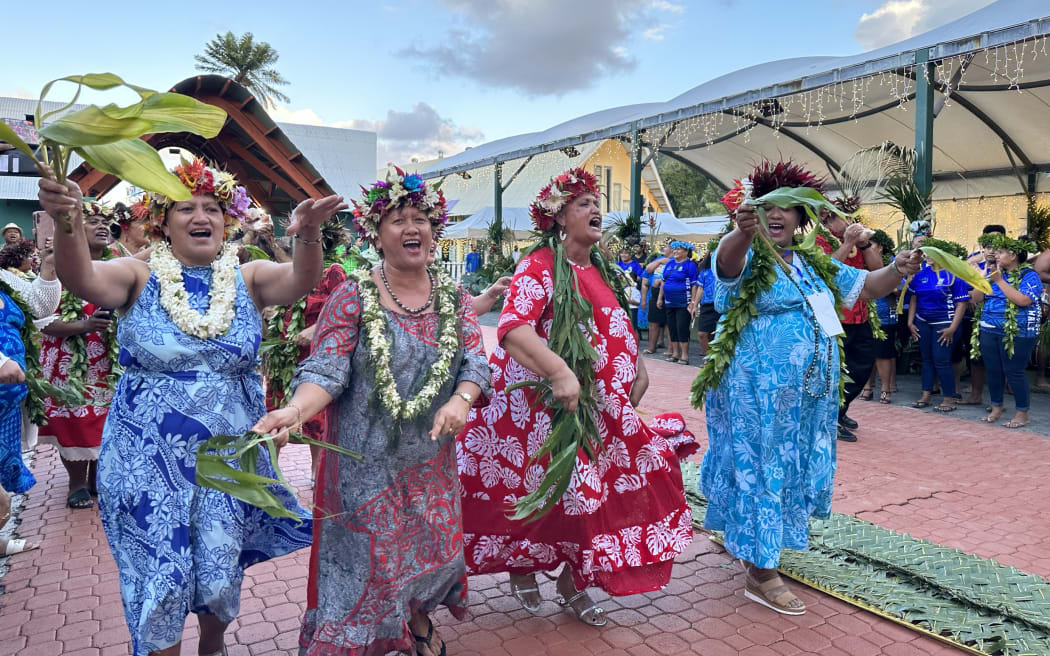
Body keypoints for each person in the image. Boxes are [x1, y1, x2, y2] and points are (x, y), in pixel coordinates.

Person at [38, 157, 343, 656]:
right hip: (145, 457)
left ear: (227, 221)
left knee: (218, 569)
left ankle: (213, 645)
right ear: (163, 222)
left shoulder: (248, 278)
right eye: (186, 208)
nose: (201, 217)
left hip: (227, 458)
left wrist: (308, 234)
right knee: (161, 575)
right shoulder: (137, 275)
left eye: (212, 208)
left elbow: (300, 279)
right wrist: (67, 220)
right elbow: (83, 278)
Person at [252, 166, 490, 656]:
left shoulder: (455, 299)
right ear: (376, 235)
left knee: (428, 550)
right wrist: (293, 411)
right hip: (363, 468)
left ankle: (417, 618)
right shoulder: (352, 296)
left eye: (421, 219)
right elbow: (327, 369)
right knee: (369, 560)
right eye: (398, 220)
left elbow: (475, 363)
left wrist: (460, 399)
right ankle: (359, 640)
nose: (412, 228)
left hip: (429, 465)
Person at [458, 168, 696, 627]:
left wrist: (638, 365)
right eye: (583, 203)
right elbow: (513, 329)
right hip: (540, 413)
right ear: (558, 217)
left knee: (605, 493)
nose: (595, 210)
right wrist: (560, 372)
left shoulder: (600, 267)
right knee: (540, 496)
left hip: (601, 413)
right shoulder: (539, 265)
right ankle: (523, 565)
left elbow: (615, 323)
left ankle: (573, 581)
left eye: (596, 203)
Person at [700, 161, 922, 615]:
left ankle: (755, 543)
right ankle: (761, 572)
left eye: (788, 207)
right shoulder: (746, 255)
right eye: (768, 206)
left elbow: (868, 287)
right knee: (761, 465)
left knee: (787, 466)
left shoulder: (811, 264)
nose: (776, 214)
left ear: (801, 218)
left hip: (803, 400)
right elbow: (726, 260)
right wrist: (742, 231)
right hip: (757, 395)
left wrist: (897, 268)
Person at [37, 201, 119, 510]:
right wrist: (85, 325)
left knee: (106, 421)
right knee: (73, 421)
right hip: (68, 362)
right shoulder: (57, 266)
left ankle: (97, 478)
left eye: (105, 222)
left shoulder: (119, 267)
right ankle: (77, 483)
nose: (102, 226)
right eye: (93, 221)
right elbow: (42, 321)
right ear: (73, 229)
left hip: (110, 362)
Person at [263, 217, 348, 475]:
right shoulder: (292, 269)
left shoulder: (333, 271)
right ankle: (271, 473)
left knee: (315, 418)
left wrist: (317, 329)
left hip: (314, 355)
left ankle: (316, 474)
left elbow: (344, 311)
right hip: (284, 352)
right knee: (275, 409)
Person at [816, 201, 883, 441]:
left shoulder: (859, 242)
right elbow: (827, 271)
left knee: (862, 365)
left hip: (860, 314)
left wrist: (863, 244)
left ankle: (839, 410)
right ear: (828, 219)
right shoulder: (819, 240)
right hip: (834, 317)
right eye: (843, 217)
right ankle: (829, 418)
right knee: (833, 370)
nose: (849, 222)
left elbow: (877, 269)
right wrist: (847, 242)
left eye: (851, 217)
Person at [973, 235, 1042, 428]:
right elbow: (977, 298)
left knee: (1014, 372)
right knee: (993, 370)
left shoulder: (1029, 275)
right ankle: (996, 408)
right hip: (989, 329)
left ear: (1013, 255)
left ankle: (1022, 413)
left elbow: (1023, 300)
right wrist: (981, 279)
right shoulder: (994, 272)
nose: (996, 255)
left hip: (1018, 332)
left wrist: (999, 281)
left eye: (1001, 252)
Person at [906, 240, 972, 412]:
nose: (927, 256)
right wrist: (910, 322)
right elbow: (913, 298)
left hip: (944, 324)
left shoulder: (953, 275)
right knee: (927, 359)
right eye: (926, 253)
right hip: (922, 322)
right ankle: (926, 395)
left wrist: (953, 328)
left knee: (941, 360)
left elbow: (962, 303)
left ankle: (949, 398)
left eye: (932, 253)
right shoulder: (920, 274)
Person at [657, 241, 699, 364]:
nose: (675, 251)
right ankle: (675, 353)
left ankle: (684, 355)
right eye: (674, 249)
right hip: (669, 301)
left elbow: (694, 285)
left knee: (682, 327)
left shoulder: (690, 265)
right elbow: (663, 281)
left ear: (686, 251)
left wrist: (693, 302)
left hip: (683, 301)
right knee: (672, 327)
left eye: (678, 249)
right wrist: (660, 298)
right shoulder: (669, 264)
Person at [641, 244, 671, 354]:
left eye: (667, 246)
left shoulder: (677, 261)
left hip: (670, 293)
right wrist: (660, 261)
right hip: (655, 293)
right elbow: (648, 270)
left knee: (669, 323)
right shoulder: (659, 259)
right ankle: (651, 348)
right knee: (653, 322)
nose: (664, 248)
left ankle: (671, 349)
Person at [695, 251, 719, 355]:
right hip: (706, 305)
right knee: (702, 334)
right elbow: (700, 289)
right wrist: (695, 305)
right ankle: (709, 357)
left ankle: (715, 358)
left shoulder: (726, 271)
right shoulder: (704, 271)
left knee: (715, 334)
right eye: (712, 252)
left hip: (720, 306)